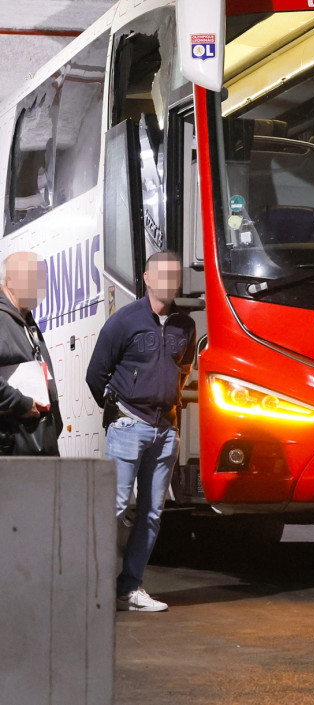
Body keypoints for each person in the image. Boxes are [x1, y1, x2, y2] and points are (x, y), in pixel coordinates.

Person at [86, 251, 196, 613]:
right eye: (161, 275)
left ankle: (128, 589)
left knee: (151, 514)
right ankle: (92, 587)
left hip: (166, 430)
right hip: (129, 426)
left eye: (174, 276)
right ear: (147, 278)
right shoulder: (124, 321)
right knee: (114, 508)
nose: (169, 281)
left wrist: (170, 412)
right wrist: (118, 413)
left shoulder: (186, 324)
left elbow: (184, 369)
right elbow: (96, 373)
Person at [0, 251, 62, 456]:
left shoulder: (26, 321)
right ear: (10, 280)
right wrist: (21, 403)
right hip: (14, 447)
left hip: (38, 443)